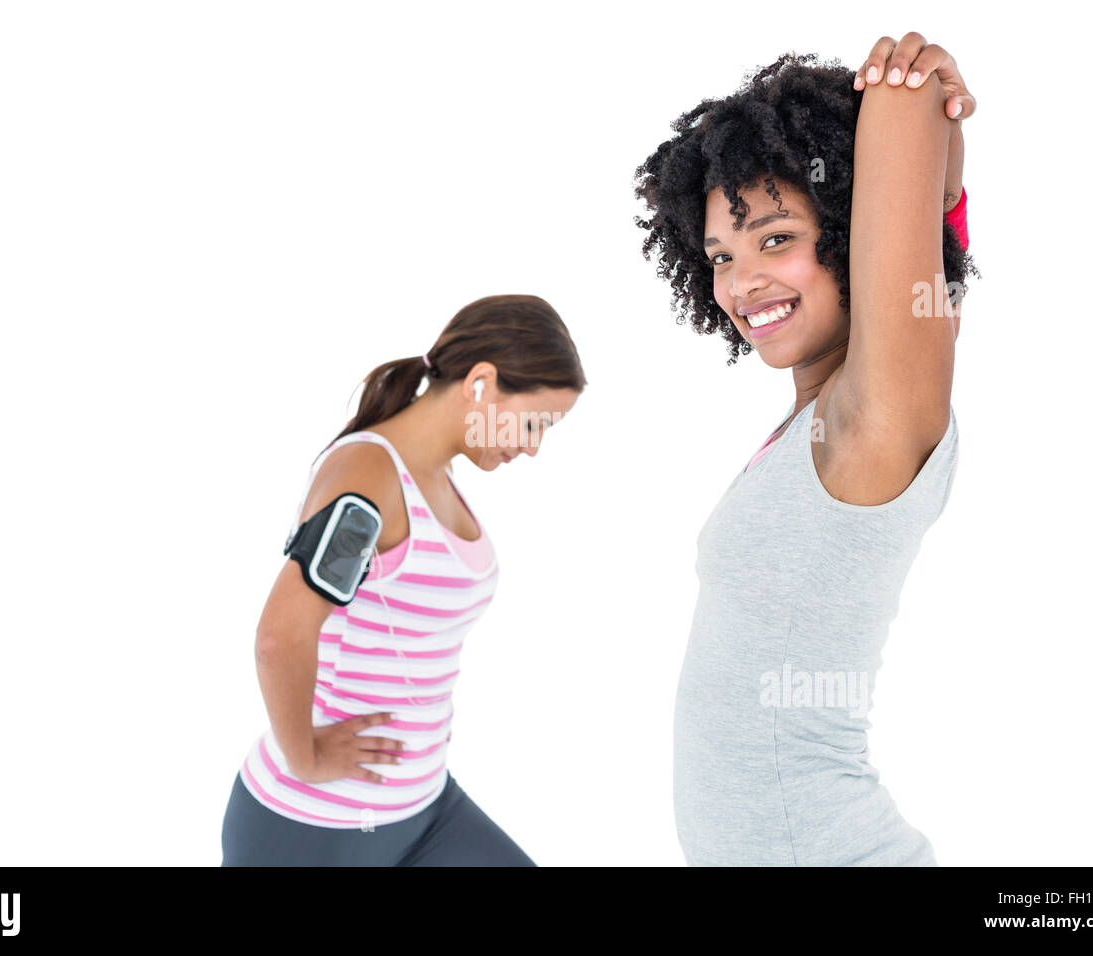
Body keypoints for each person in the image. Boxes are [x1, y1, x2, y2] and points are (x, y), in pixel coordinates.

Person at [633, 34, 979, 865]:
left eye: (777, 239)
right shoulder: (810, 427)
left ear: (854, 232)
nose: (741, 282)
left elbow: (904, 137)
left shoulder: (871, 420)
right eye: (721, 255)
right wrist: (950, 176)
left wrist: (911, 85)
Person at [221, 294, 585, 865]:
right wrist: (306, 758)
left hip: (427, 811)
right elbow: (280, 636)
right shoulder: (369, 479)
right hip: (318, 828)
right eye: (534, 421)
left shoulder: (431, 475)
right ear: (482, 383)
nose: (533, 446)